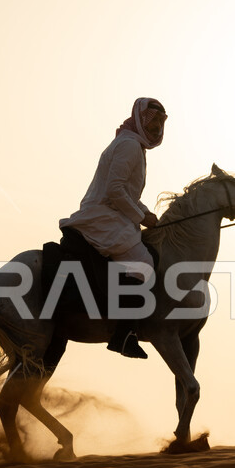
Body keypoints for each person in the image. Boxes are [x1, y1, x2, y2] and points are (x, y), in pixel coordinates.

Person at [58, 97, 167, 359]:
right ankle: (124, 333)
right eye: (153, 124)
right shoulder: (129, 146)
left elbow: (126, 192)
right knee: (143, 262)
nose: (157, 130)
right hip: (103, 217)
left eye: (160, 125)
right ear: (141, 119)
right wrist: (141, 217)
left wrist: (145, 212)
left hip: (112, 214)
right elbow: (115, 190)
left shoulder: (133, 144)